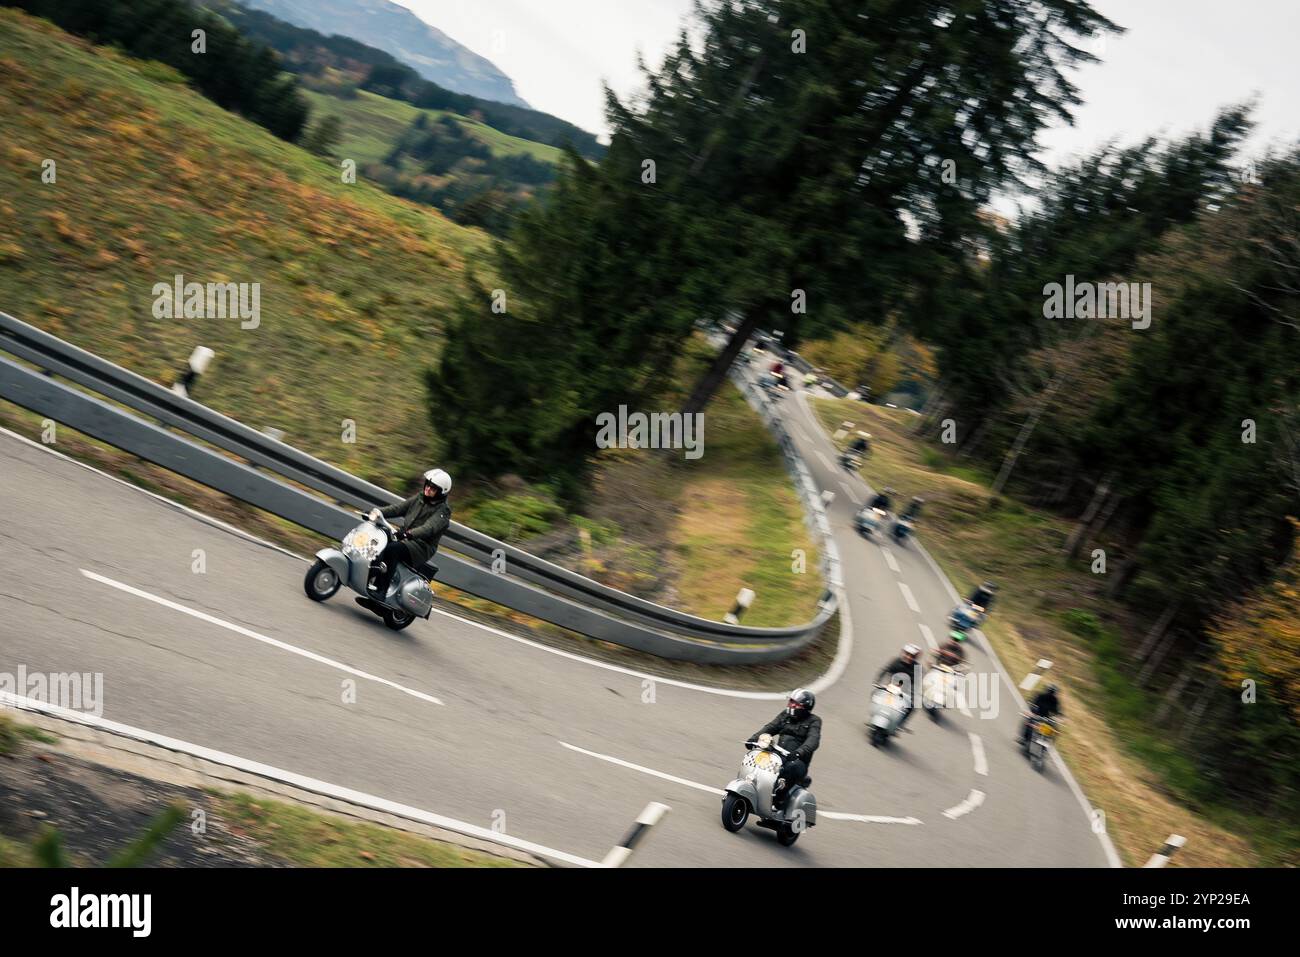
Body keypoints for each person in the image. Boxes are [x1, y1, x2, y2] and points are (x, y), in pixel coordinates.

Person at [365, 468, 452, 601]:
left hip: (421, 546)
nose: (428, 489)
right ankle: (371, 572)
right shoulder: (420, 497)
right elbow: (398, 508)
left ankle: (381, 591)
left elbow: (428, 528)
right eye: (427, 485)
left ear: (441, 492)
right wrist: (376, 512)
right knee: (380, 537)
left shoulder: (443, 511)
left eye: (433, 488)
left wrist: (408, 534)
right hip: (406, 537)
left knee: (393, 549)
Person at [749, 689, 821, 808]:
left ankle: (778, 801)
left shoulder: (814, 721)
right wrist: (754, 738)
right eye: (791, 701)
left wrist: (799, 752)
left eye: (796, 703)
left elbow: (813, 740)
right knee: (760, 755)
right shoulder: (785, 715)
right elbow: (771, 727)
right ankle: (754, 786)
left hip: (797, 761)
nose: (791, 705)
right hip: (779, 756)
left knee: (791, 767)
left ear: (805, 707)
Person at [875, 643, 923, 729]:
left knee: (912, 707)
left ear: (915, 657)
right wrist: (877, 681)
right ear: (903, 653)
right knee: (875, 694)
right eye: (907, 654)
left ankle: (899, 724)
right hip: (890, 687)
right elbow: (885, 670)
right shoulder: (896, 661)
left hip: (905, 692)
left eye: (912, 656)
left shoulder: (917, 668)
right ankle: (875, 712)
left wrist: (913, 694)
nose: (909, 657)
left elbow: (917, 684)